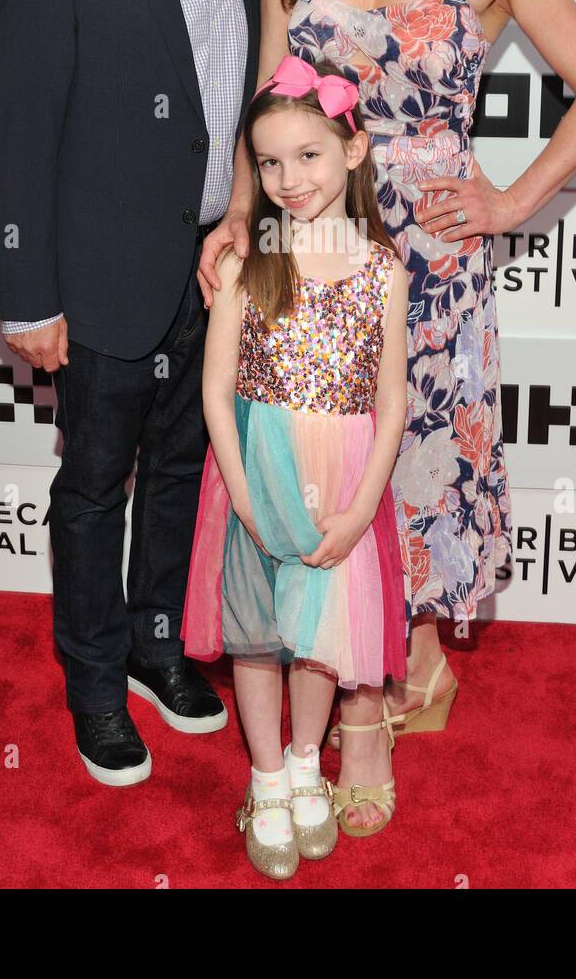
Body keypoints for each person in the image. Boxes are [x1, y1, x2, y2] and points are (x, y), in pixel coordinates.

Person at [197, 0, 576, 754]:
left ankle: (383, 690)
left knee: (416, 462)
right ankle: (345, 679)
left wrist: (510, 201)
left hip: (434, 269)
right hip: (309, 257)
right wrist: (238, 217)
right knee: (329, 463)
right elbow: (268, 97)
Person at [0, 0, 264, 785]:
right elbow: (17, 127)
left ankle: (156, 645)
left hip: (211, 273)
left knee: (187, 470)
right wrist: (28, 292)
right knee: (96, 487)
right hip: (96, 273)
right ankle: (94, 679)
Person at [181, 54, 411, 877]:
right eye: (269, 162)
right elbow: (214, 391)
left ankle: (310, 763)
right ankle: (267, 776)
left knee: (320, 635)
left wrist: (357, 513)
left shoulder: (383, 271)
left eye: (307, 156)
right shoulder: (250, 261)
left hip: (345, 481)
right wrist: (242, 495)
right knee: (255, 634)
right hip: (256, 472)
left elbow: (391, 404)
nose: (287, 178)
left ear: (352, 150)